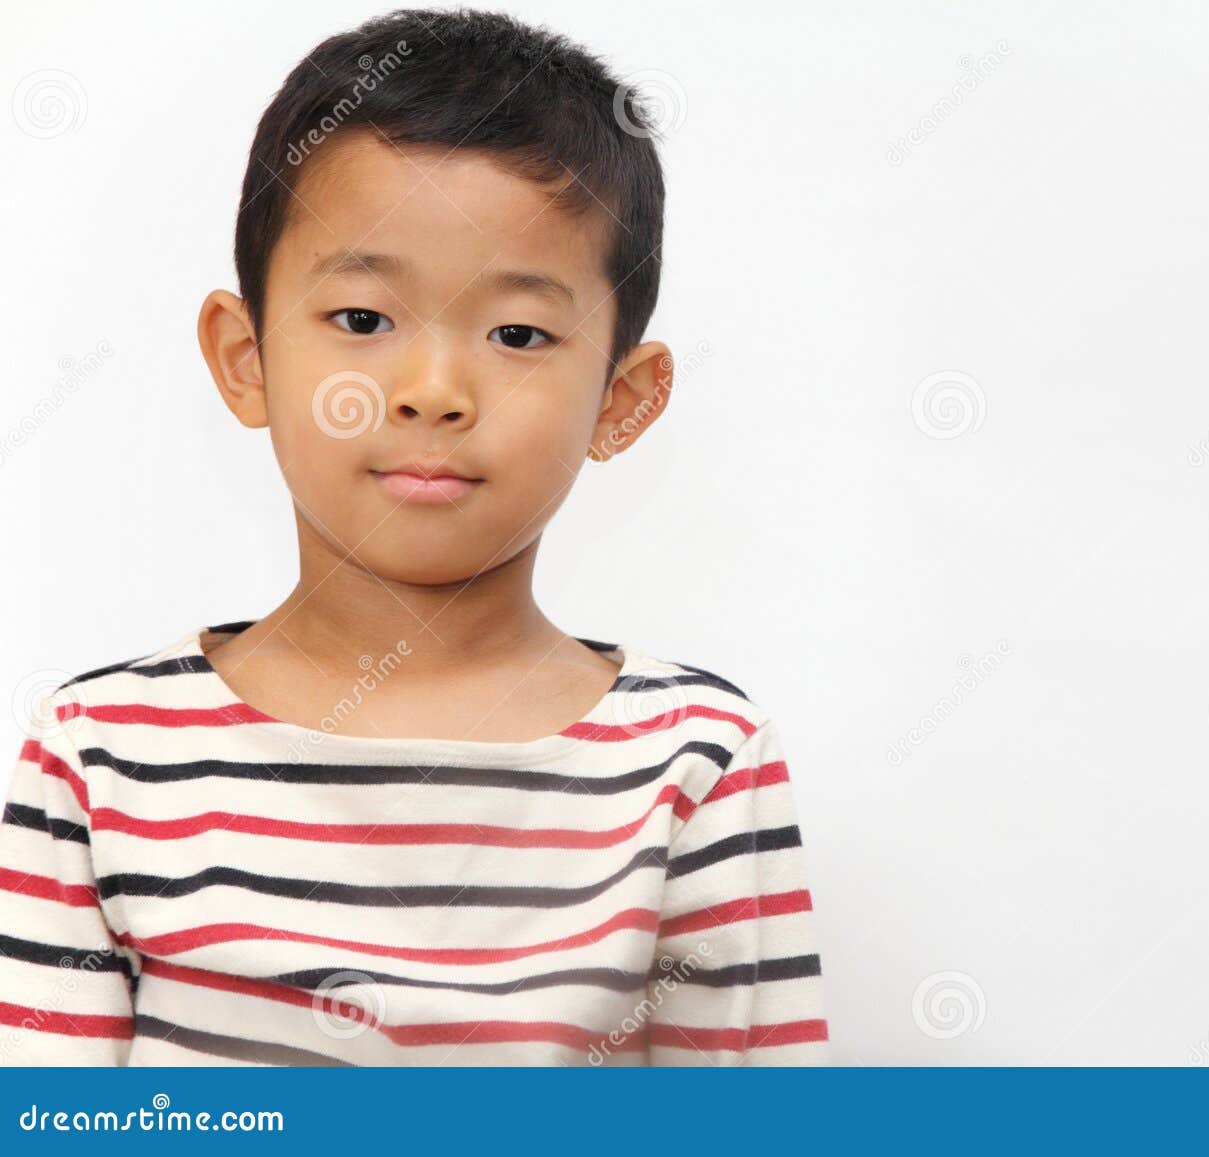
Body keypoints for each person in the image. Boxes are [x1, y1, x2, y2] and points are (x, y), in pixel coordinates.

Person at [0, 6, 827, 1066]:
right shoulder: (97, 756)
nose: (433, 392)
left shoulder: (698, 762)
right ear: (246, 357)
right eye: (362, 320)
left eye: (517, 334)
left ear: (623, 400)